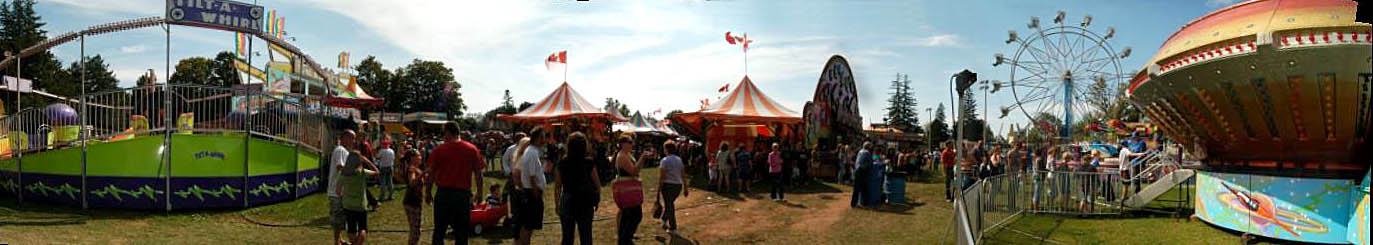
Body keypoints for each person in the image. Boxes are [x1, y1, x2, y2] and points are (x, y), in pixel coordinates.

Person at [424, 122, 485, 245]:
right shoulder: (472, 149)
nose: (442, 136)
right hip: (462, 196)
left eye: (443, 133)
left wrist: (428, 192)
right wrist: (480, 193)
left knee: (439, 231)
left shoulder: (439, 150)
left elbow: (431, 174)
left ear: (447, 132)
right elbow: (479, 174)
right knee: (461, 233)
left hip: (443, 195)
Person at [554, 132, 601, 245]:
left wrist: (557, 204)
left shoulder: (562, 163)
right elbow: (597, 184)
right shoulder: (589, 162)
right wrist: (596, 199)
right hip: (585, 200)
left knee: (567, 237)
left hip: (568, 200)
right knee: (586, 236)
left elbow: (557, 186)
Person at [513, 127, 549, 245]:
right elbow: (532, 176)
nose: (545, 139)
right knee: (527, 226)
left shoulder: (531, 151)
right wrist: (536, 193)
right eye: (544, 137)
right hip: (532, 193)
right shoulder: (532, 152)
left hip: (530, 192)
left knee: (528, 226)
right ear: (539, 138)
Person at [340, 138, 379, 245]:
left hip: (348, 204)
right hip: (361, 205)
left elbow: (338, 190)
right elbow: (376, 172)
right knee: (362, 228)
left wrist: (344, 196)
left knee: (351, 229)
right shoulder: (361, 172)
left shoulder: (343, 173)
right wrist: (367, 161)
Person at [613, 134, 649, 245]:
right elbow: (634, 171)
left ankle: (624, 239)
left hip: (629, 190)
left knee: (628, 216)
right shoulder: (623, 156)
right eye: (629, 142)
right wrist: (642, 157)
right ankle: (625, 239)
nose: (632, 144)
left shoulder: (627, 155)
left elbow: (635, 170)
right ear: (622, 144)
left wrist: (643, 159)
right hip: (627, 191)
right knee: (635, 215)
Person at [329, 130, 355, 245]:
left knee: (341, 219)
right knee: (338, 219)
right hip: (336, 191)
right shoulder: (340, 150)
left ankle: (339, 240)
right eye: (351, 138)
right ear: (344, 138)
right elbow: (340, 166)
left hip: (342, 190)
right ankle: (337, 242)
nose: (353, 141)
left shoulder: (345, 151)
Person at [658, 140, 687, 232]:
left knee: (669, 205)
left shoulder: (664, 160)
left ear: (666, 149)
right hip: (678, 185)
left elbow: (662, 177)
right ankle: (664, 219)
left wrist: (658, 189)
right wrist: (685, 187)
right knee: (669, 204)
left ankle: (673, 227)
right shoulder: (679, 160)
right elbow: (683, 174)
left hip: (668, 185)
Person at [402, 150, 425, 245]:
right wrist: (423, 174)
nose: (421, 157)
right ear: (412, 158)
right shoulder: (412, 169)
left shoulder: (415, 168)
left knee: (415, 229)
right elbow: (412, 182)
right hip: (412, 202)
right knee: (415, 231)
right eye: (419, 155)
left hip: (414, 201)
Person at [850, 142, 873, 208]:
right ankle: (865, 203)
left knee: (858, 188)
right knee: (864, 188)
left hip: (857, 170)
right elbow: (870, 163)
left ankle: (854, 204)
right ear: (868, 147)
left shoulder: (860, 151)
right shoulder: (867, 153)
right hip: (862, 172)